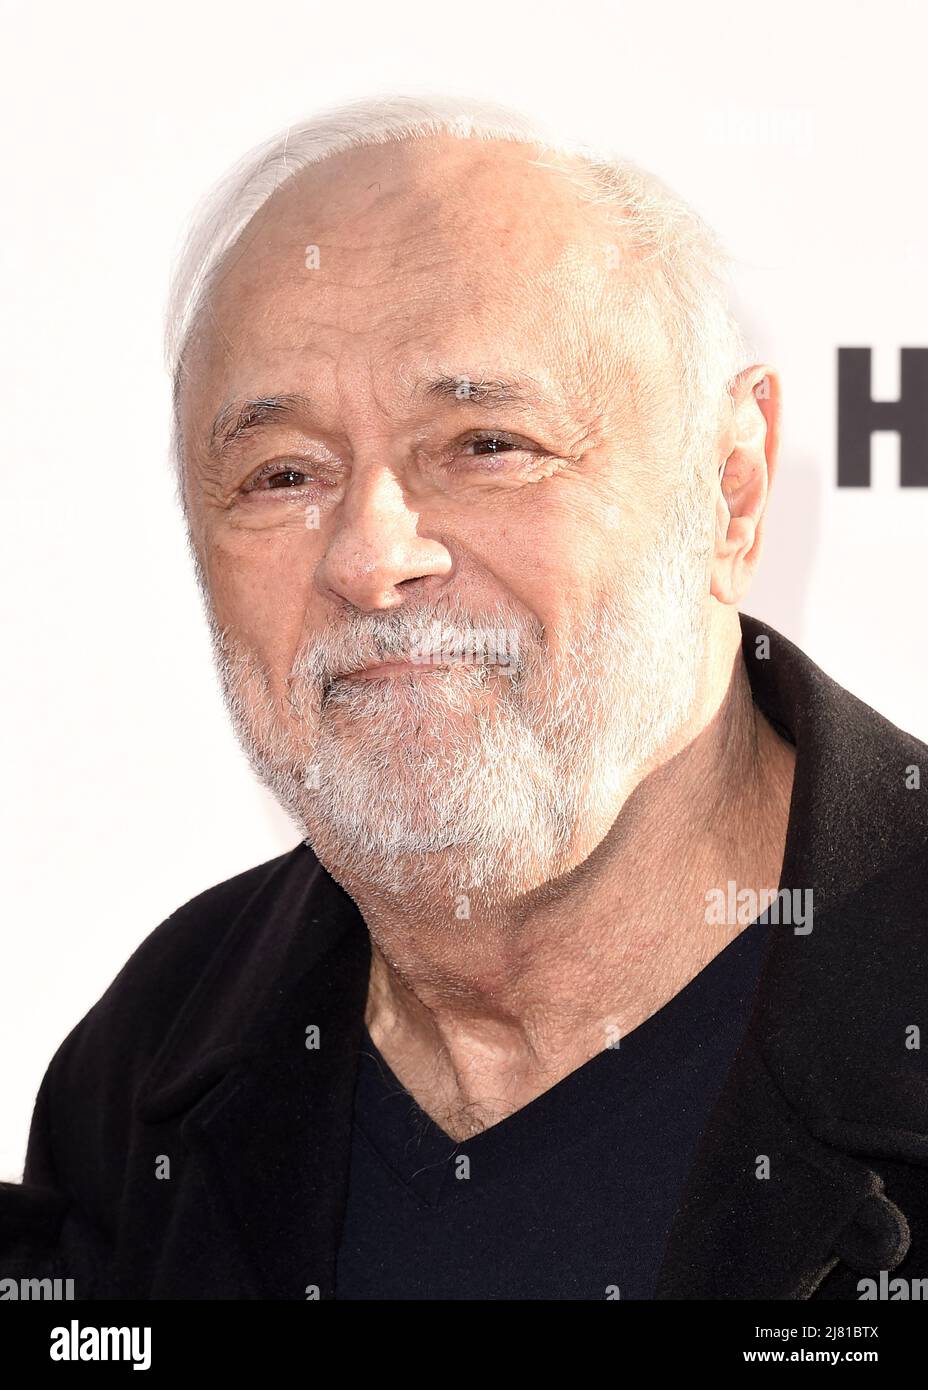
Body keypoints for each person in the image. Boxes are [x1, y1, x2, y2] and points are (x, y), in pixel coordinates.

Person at [2, 93, 927, 1301]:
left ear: (731, 487)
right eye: (283, 475)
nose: (371, 557)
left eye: (488, 443)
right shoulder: (154, 1064)